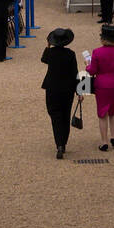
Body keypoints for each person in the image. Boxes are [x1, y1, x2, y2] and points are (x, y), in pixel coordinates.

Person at [85, 23, 114, 150]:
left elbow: (92, 70)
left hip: (102, 84)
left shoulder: (97, 52)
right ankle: (113, 136)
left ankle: (104, 140)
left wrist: (87, 65)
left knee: (102, 113)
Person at [41, 26, 79, 158]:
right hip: (67, 89)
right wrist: (79, 91)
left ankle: (59, 144)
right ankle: (63, 142)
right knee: (65, 115)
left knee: (55, 116)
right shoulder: (70, 54)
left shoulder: (50, 54)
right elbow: (75, 73)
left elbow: (43, 59)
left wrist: (48, 46)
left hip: (52, 88)